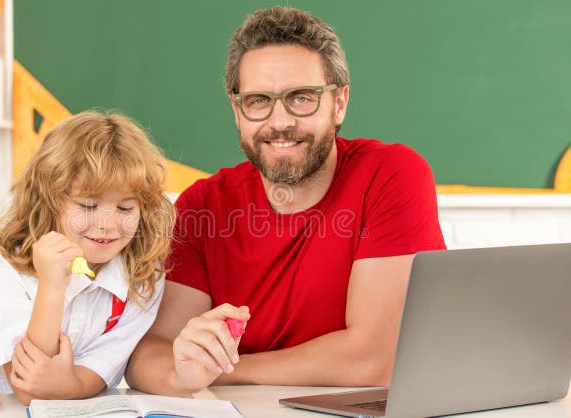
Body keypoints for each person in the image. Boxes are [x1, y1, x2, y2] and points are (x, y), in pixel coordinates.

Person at [125, 6, 446, 395]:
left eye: (301, 98)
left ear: (339, 102)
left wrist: (219, 368)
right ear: (236, 109)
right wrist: (180, 370)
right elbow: (148, 356)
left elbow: (374, 360)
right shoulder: (201, 206)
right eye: (259, 100)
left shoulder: (390, 175)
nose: (280, 122)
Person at [0, 111, 175, 404]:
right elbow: (28, 388)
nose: (107, 224)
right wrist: (52, 286)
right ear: (50, 201)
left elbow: (101, 367)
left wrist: (72, 385)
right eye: (88, 205)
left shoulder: (143, 278)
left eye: (125, 209)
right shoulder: (9, 267)